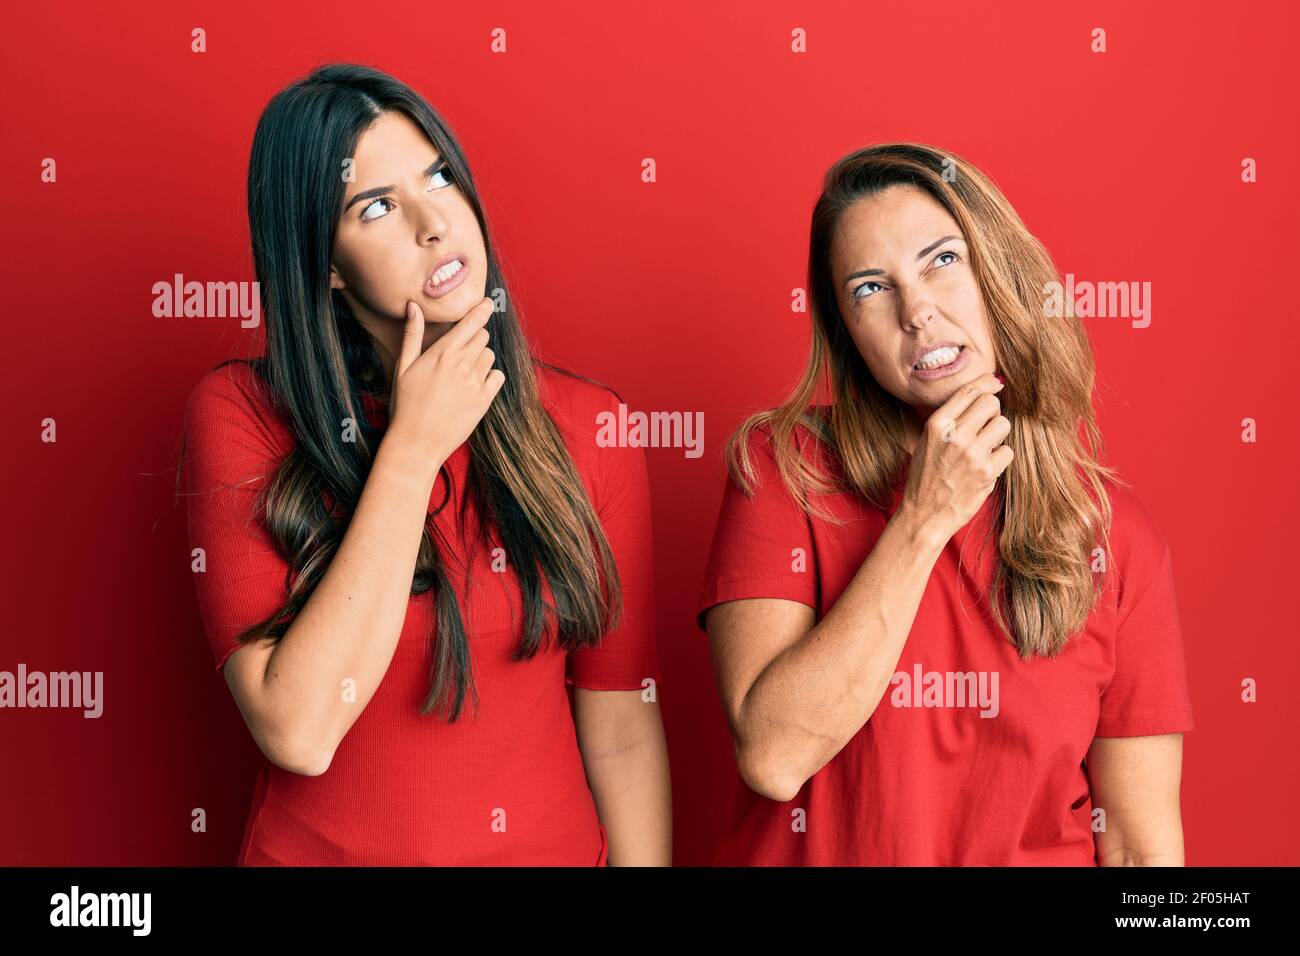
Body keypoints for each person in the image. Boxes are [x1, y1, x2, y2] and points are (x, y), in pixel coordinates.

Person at [177, 63, 670, 866]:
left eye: (438, 176)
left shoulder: (589, 428)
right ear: (325, 263)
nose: (433, 222)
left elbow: (620, 732)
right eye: (376, 207)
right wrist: (410, 452)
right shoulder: (241, 417)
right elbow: (298, 731)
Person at [697, 143, 1193, 866]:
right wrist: (924, 519)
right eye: (870, 288)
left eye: (942, 260)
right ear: (845, 331)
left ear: (997, 271)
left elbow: (1140, 845)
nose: (917, 311)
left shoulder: (1112, 536)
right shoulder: (782, 472)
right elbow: (773, 756)